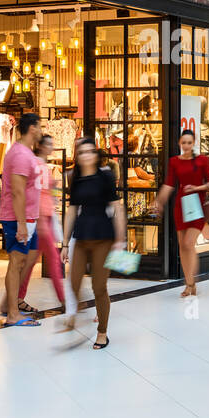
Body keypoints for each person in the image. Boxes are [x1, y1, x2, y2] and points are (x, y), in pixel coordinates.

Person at [59, 138, 125, 348]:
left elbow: (117, 207)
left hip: (103, 237)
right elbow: (71, 212)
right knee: (73, 281)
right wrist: (64, 243)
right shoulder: (76, 179)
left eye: (90, 151)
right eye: (82, 152)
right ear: (78, 157)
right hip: (82, 236)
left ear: (95, 155)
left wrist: (120, 239)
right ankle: (75, 315)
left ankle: (102, 332)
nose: (86, 155)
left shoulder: (105, 176)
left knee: (99, 287)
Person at [155, 129, 209, 297]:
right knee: (182, 245)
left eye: (189, 142)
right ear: (179, 144)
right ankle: (190, 283)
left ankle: (190, 282)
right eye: (183, 143)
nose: (186, 146)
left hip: (197, 206)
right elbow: (169, 184)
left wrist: (196, 188)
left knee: (189, 244)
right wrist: (159, 201)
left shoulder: (202, 160)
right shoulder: (174, 161)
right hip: (181, 206)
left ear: (193, 143)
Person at [0, 113, 42, 327]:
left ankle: (12, 306)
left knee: (23, 261)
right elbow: (17, 191)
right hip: (17, 219)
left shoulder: (25, 153)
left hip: (28, 218)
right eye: (39, 127)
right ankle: (12, 313)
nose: (41, 131)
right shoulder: (21, 155)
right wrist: (22, 224)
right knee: (16, 263)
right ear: (32, 128)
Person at [16, 133, 66, 313]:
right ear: (42, 146)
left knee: (30, 263)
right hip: (40, 219)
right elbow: (34, 192)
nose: (52, 147)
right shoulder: (38, 164)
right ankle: (63, 300)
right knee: (51, 260)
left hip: (45, 217)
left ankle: (16, 298)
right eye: (49, 144)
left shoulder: (44, 165)